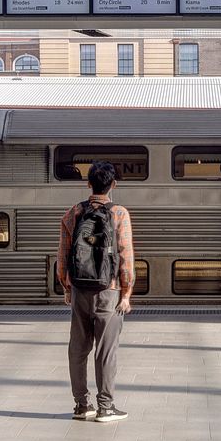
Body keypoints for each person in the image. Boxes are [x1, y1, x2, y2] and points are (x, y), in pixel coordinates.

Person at [56, 158, 134, 422]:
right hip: (108, 290)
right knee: (106, 350)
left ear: (88, 184)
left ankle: (81, 406)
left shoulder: (72, 213)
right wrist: (126, 293)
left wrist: (67, 287)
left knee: (78, 348)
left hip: (79, 289)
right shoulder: (119, 214)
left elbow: (63, 255)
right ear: (113, 184)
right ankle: (106, 407)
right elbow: (125, 256)